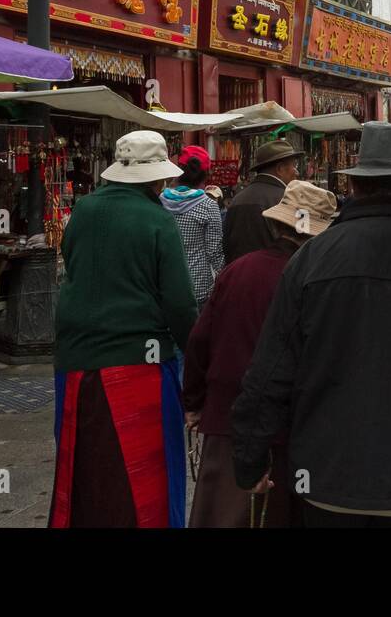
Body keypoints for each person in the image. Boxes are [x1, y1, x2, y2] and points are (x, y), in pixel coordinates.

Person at [231, 123, 391, 528]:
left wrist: (250, 458)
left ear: (354, 185)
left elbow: (270, 372)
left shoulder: (310, 259)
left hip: (326, 475)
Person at [50, 132, 197, 528]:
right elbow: (180, 304)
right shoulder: (157, 220)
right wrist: (199, 367)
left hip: (75, 364)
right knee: (146, 484)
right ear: (157, 179)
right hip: (138, 366)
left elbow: (72, 266)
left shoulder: (82, 210)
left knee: (83, 475)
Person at [185, 180, 337, 528]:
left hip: (228, 417)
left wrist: (194, 401)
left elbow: (200, 339)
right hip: (291, 428)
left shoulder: (239, 270)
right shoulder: (318, 277)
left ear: (276, 224)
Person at [160, 146, 224, 309]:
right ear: (206, 175)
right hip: (198, 288)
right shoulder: (209, 206)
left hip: (164, 286)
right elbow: (214, 252)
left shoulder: (160, 200)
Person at [222, 140, 304, 265]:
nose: (296, 172)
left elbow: (227, 246)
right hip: (278, 278)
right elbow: (303, 248)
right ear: (280, 168)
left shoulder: (237, 200)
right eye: (294, 165)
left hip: (239, 277)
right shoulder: (290, 199)